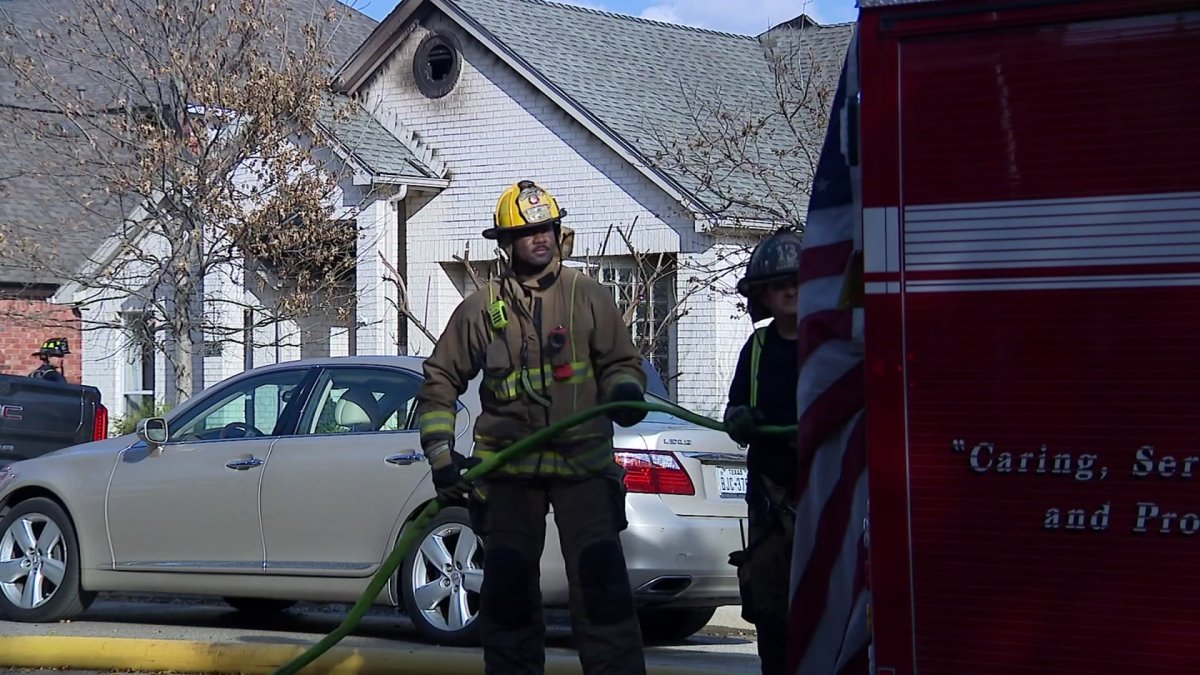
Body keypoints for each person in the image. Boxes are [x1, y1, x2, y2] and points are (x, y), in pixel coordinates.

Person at [414, 180, 649, 675]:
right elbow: (439, 379)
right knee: (509, 594)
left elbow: (622, 363)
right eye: (527, 231)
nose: (540, 238)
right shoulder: (483, 308)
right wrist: (440, 454)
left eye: (546, 228)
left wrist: (625, 390)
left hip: (583, 468)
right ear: (506, 242)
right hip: (508, 474)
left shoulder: (588, 297)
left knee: (601, 585)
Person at [724, 227, 802, 675]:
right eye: (778, 283)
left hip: (827, 495)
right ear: (763, 296)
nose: (790, 289)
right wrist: (740, 417)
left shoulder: (836, 340)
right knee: (772, 608)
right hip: (772, 503)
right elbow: (735, 407)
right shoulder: (756, 349)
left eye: (798, 280)